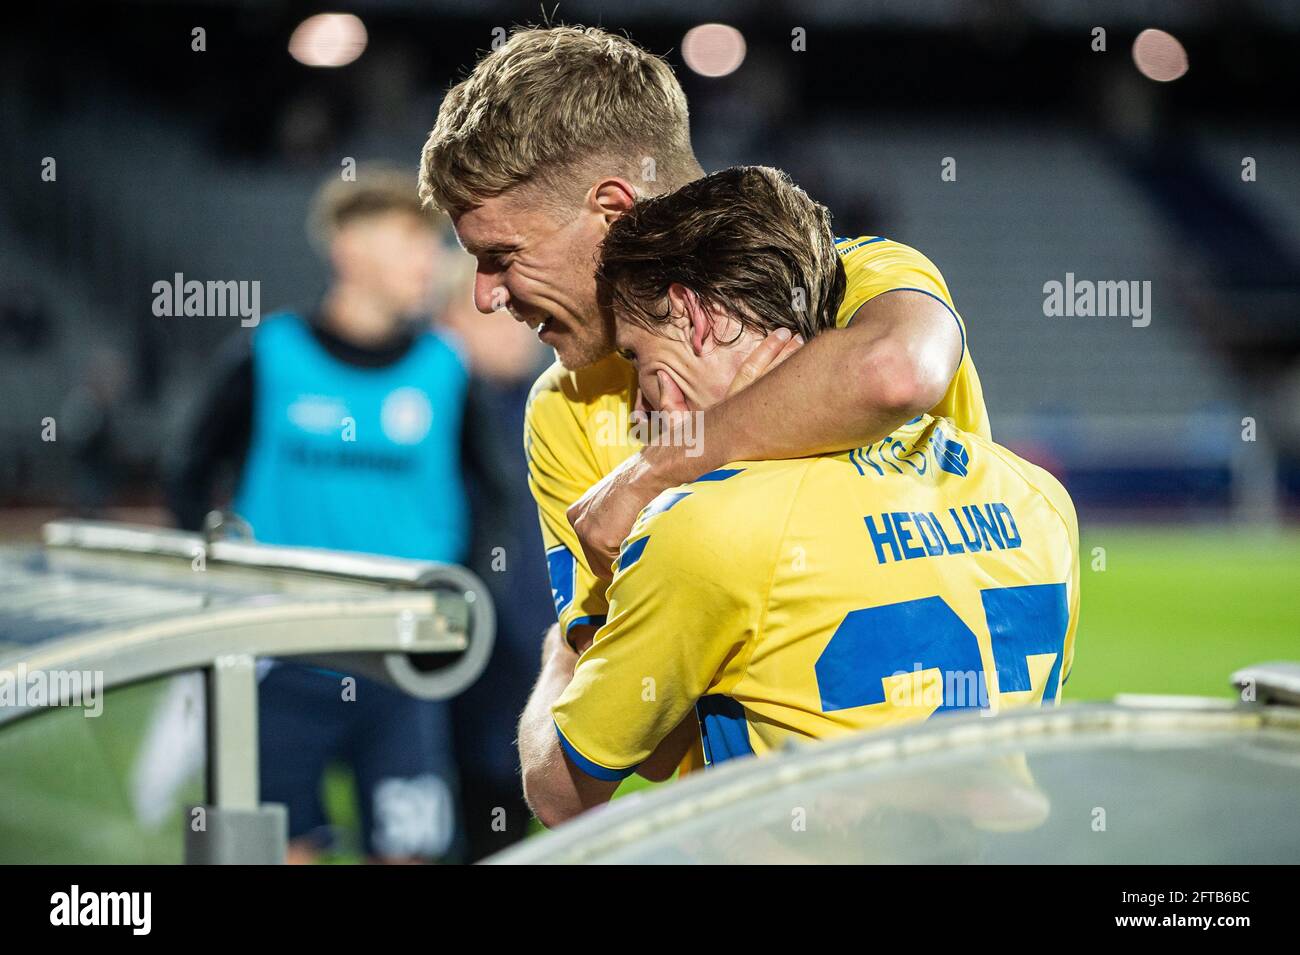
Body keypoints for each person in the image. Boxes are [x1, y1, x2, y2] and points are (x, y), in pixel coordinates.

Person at [417, 27, 988, 717]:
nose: (485, 295)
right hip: (793, 815)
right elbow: (633, 740)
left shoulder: (852, 275)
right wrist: (572, 650)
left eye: (502, 254)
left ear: (612, 209)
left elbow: (896, 370)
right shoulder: (562, 406)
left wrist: (655, 471)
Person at [515, 166, 1079, 827]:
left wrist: (567, 635)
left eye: (640, 358)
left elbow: (560, 790)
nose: (644, 405)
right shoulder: (1036, 495)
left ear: (696, 316)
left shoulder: (705, 528)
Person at [166, 166, 470, 862]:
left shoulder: (447, 368)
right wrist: (222, 578)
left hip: (402, 663)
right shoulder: (268, 354)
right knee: (276, 849)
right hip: (282, 659)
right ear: (348, 248)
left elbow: (489, 502)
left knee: (412, 850)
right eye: (409, 237)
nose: (431, 257)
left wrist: (457, 600)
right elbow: (188, 472)